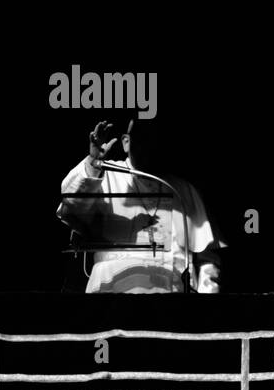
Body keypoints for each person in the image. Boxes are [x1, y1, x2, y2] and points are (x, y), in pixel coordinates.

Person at [57, 118, 222, 294]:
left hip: (173, 299)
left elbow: (206, 259)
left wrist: (206, 308)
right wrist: (93, 163)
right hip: (111, 297)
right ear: (126, 142)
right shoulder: (105, 176)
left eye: (154, 137)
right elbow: (71, 207)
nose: (148, 144)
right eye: (142, 136)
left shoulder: (182, 189)